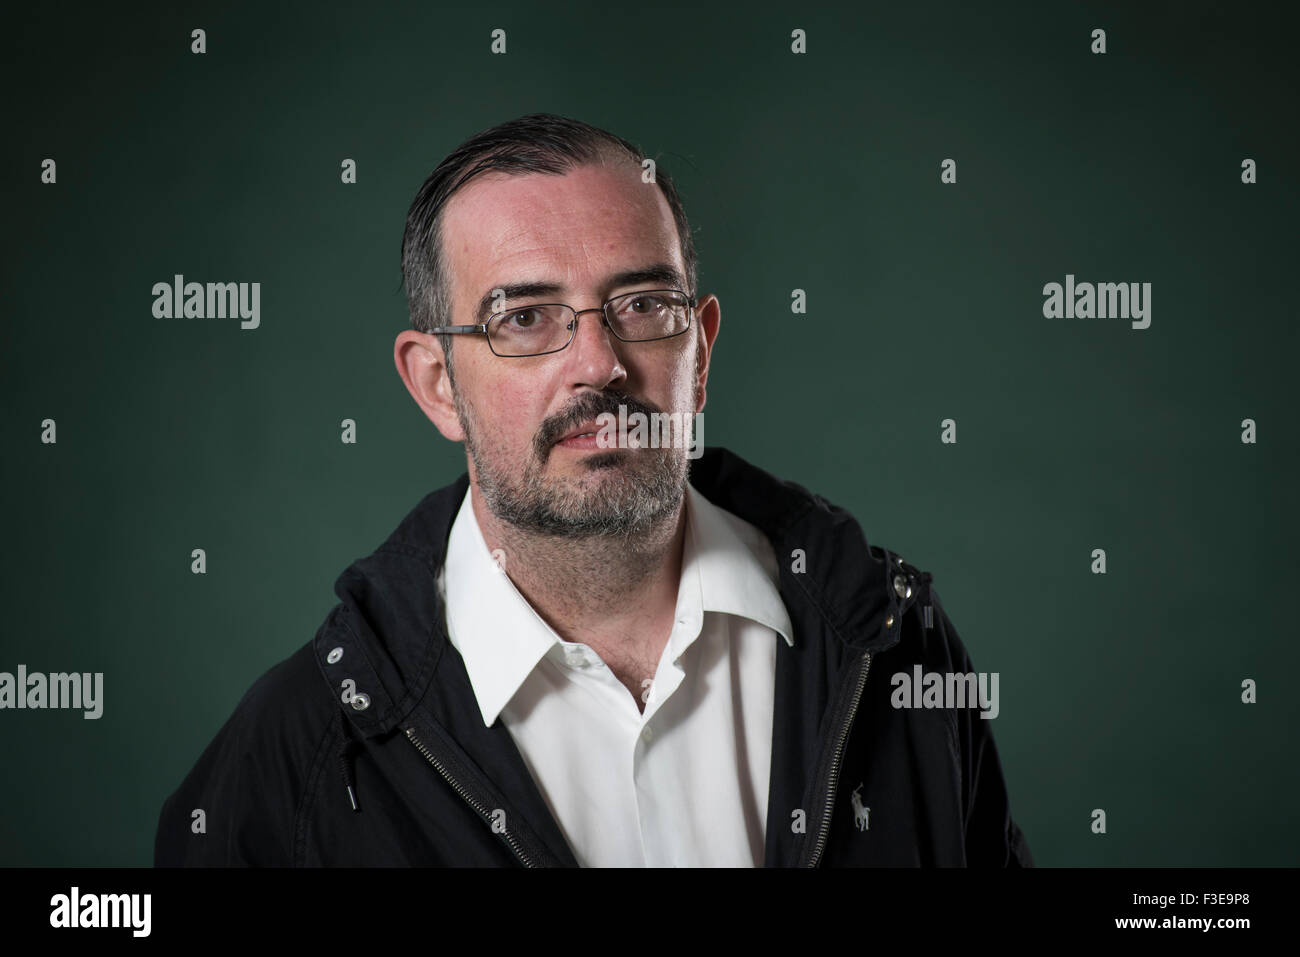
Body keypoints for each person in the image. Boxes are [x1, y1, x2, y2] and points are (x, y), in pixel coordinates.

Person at [154, 113, 1033, 867]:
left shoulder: (898, 645)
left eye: (643, 304)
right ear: (435, 385)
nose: (600, 365)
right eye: (525, 318)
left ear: (702, 353)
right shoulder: (301, 752)